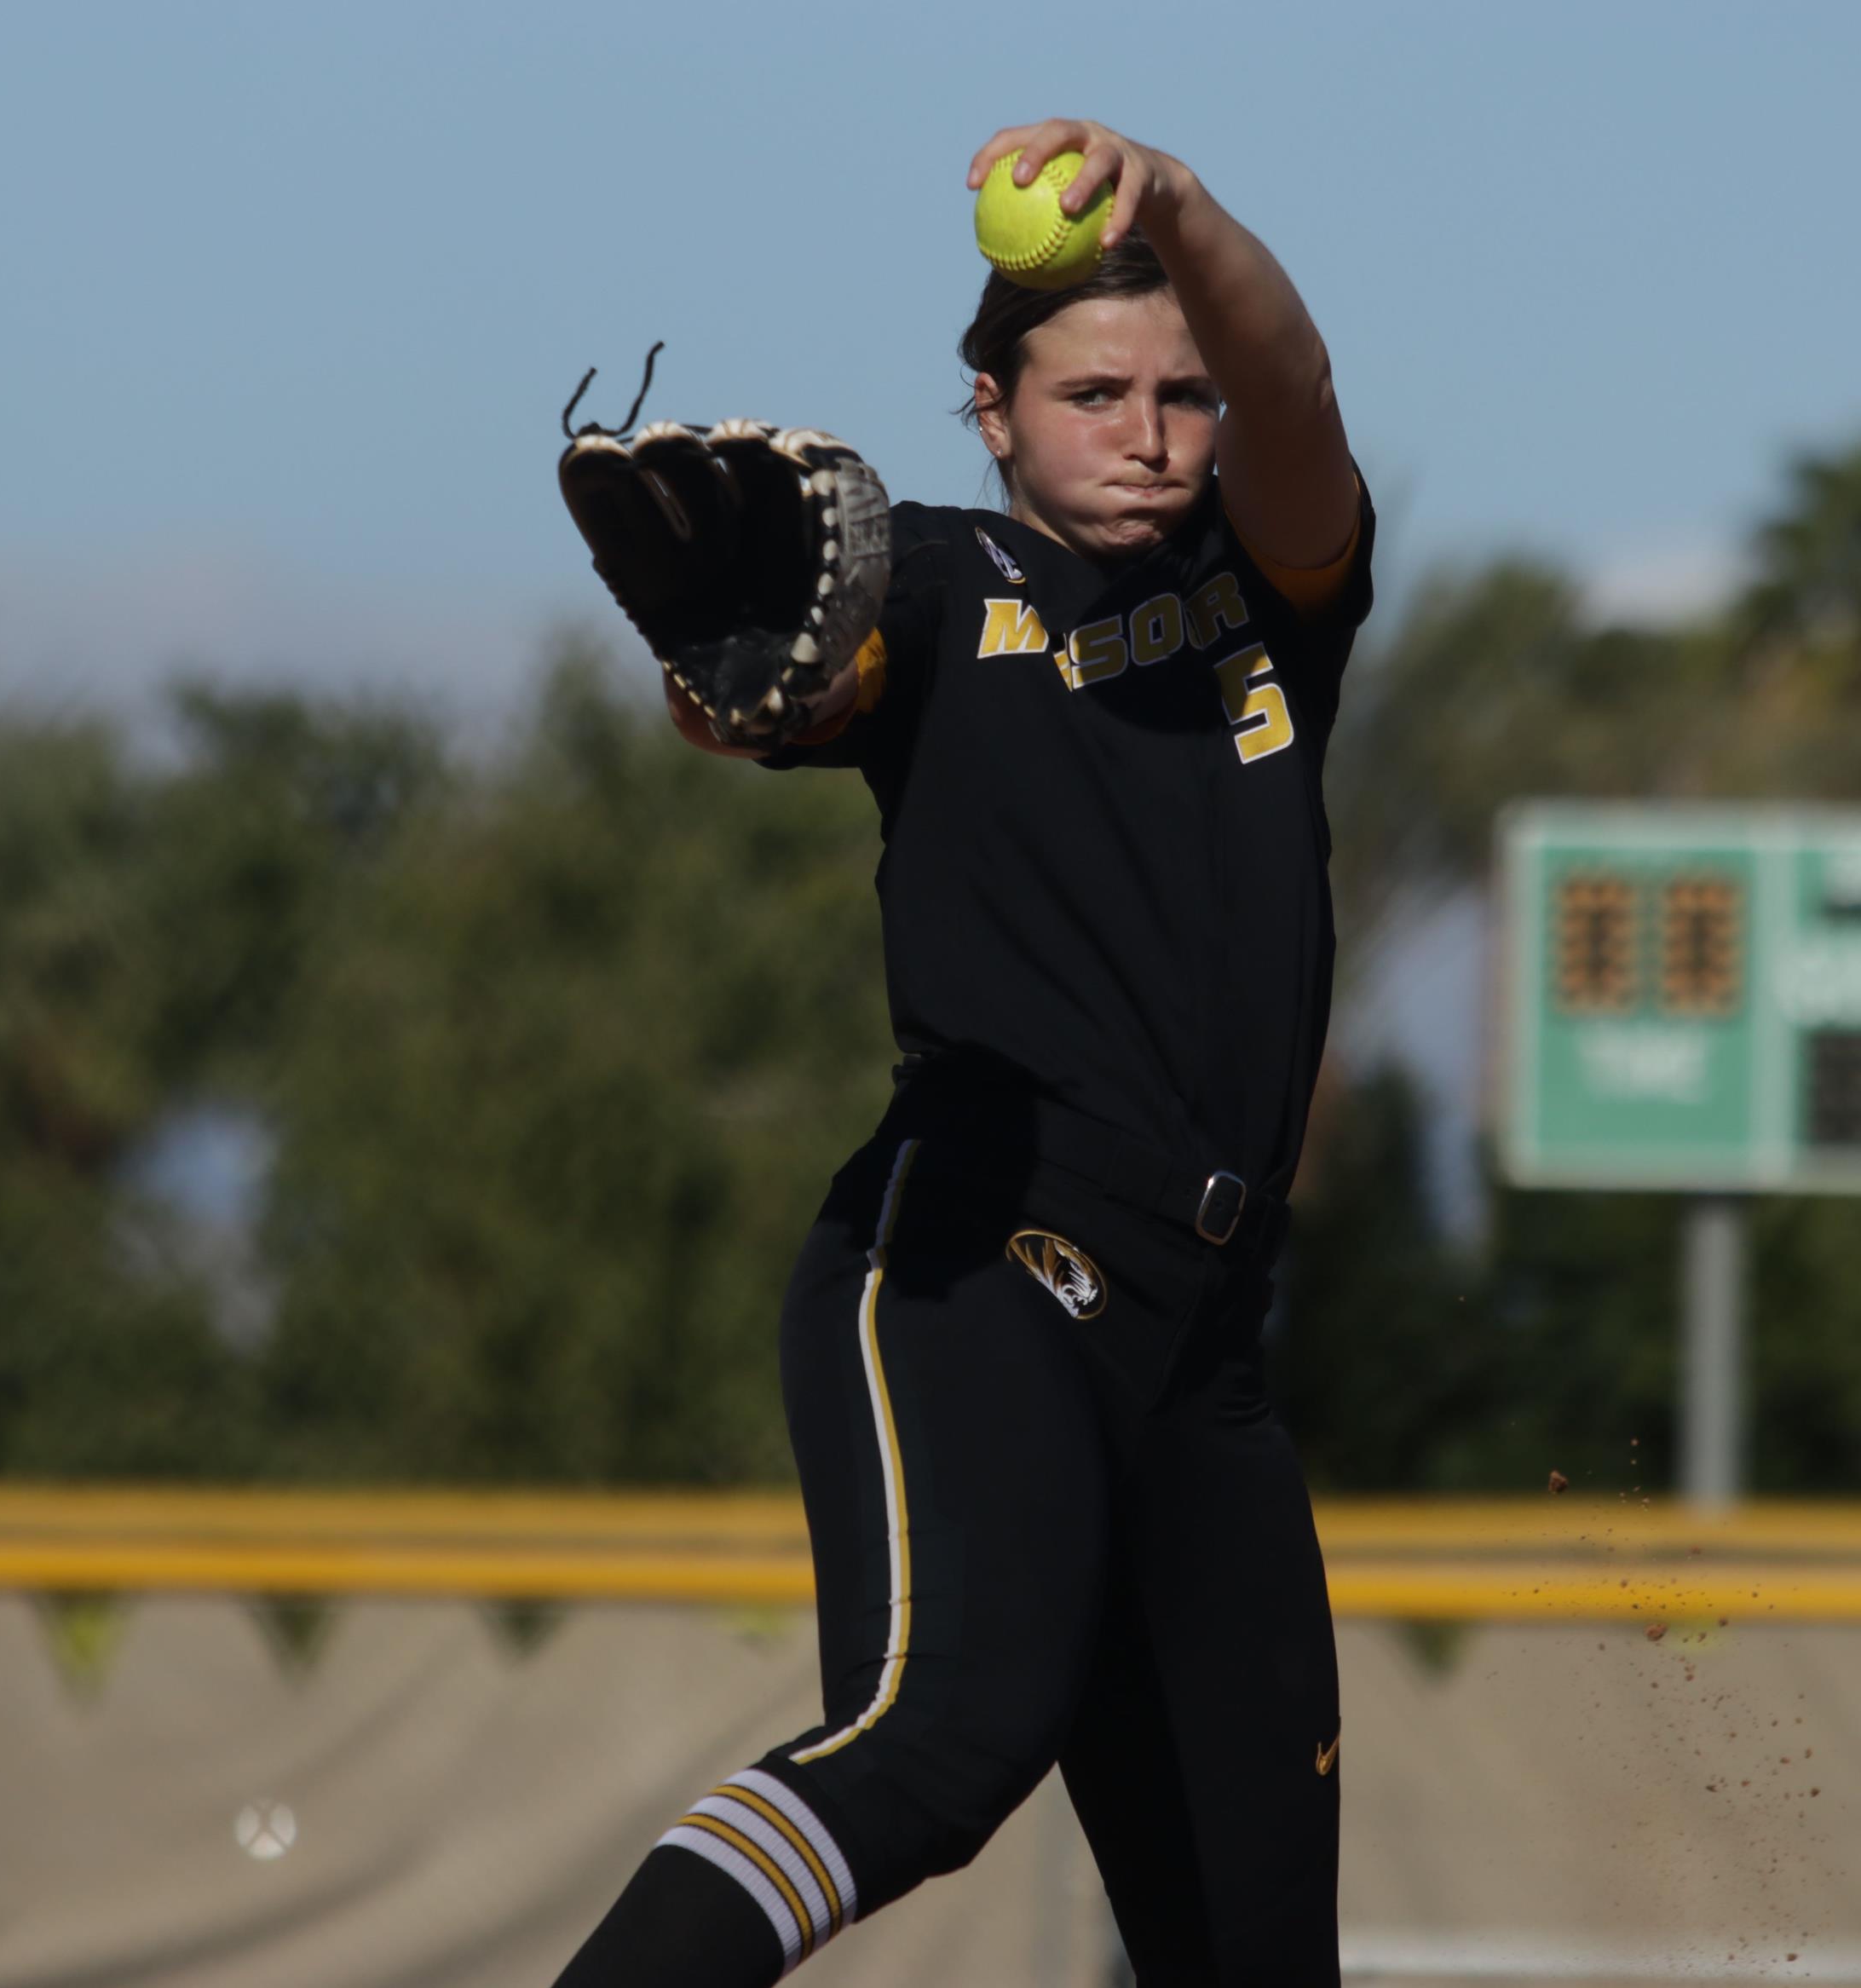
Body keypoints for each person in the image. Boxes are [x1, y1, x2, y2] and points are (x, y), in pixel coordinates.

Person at [550, 116, 1371, 1988]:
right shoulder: (942, 577)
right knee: (935, 1740)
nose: (1149, 428)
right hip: (982, 1250)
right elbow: (783, 689)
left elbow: (1298, 384)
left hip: (1205, 1345)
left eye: (1179, 392)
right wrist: (724, 667)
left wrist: (1170, 203)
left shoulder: (1275, 595)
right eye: (1093, 390)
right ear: (991, 411)